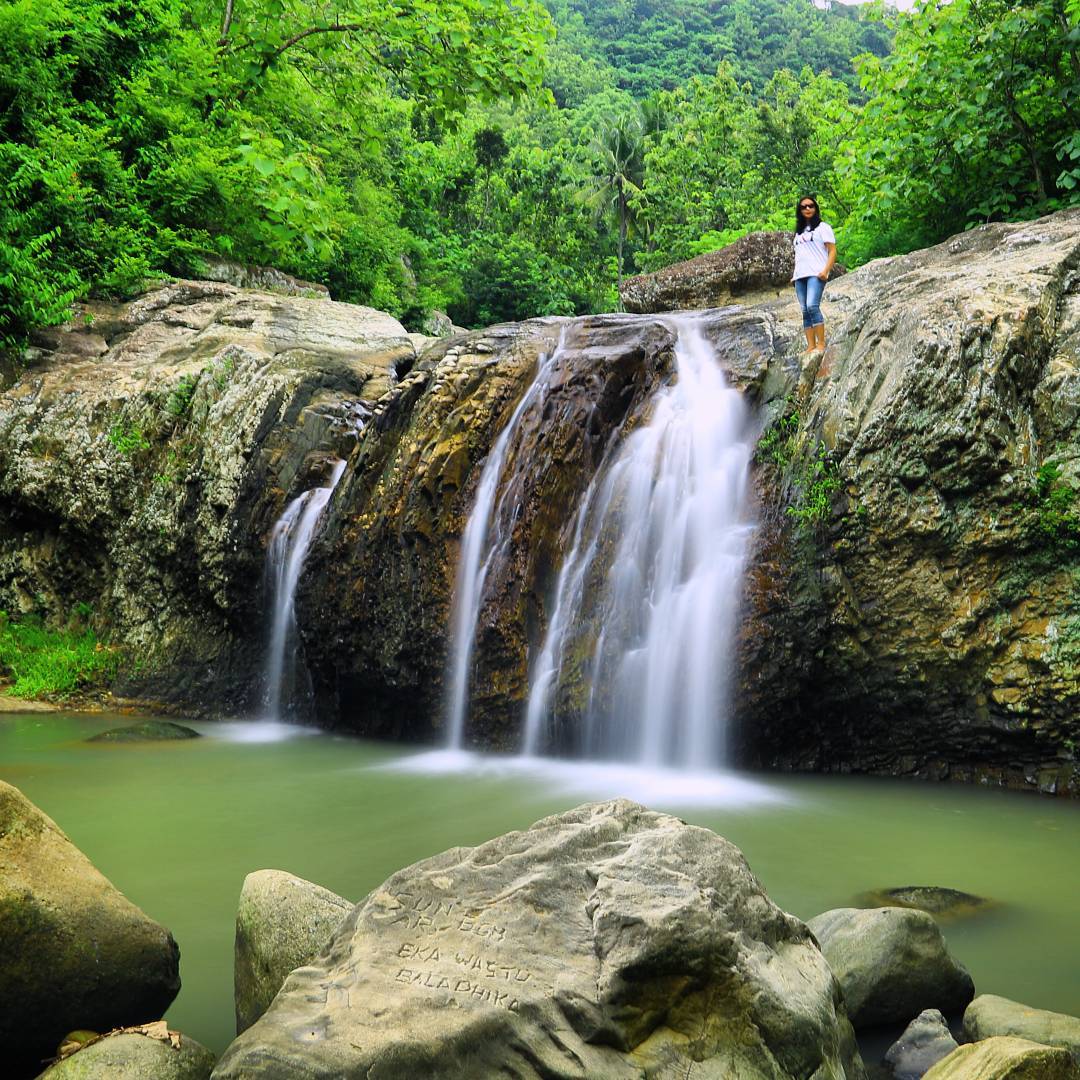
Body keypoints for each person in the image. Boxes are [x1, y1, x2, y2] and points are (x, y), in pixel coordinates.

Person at [791, 196, 836, 355]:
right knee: (804, 310)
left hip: (816, 274)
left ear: (815, 208)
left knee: (812, 306)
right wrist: (794, 275)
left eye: (811, 206)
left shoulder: (823, 227)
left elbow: (832, 251)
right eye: (804, 207)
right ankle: (810, 346)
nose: (807, 209)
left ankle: (821, 344)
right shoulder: (798, 232)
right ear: (800, 210)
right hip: (799, 276)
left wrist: (826, 271)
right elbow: (799, 255)